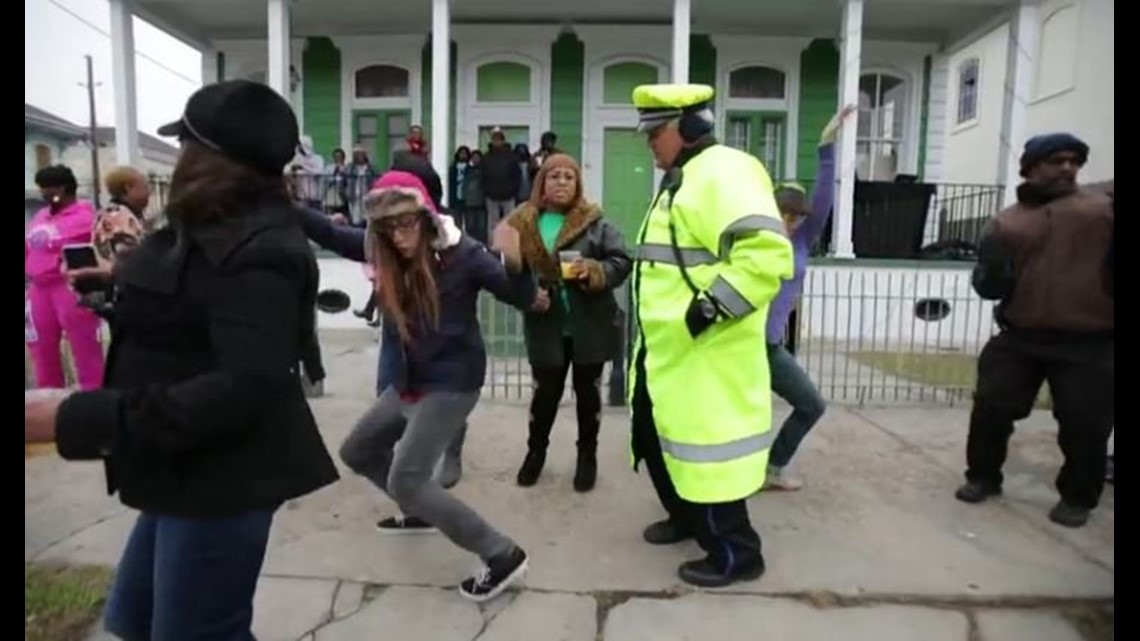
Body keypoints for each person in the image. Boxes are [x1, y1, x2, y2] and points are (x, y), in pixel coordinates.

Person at [23, 79, 340, 639]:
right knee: (134, 621)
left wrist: (73, 418)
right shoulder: (214, 225)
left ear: (210, 157)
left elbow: (245, 383)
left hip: (223, 480)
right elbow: (192, 309)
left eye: (186, 146)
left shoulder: (261, 249)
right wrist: (119, 287)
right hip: (180, 467)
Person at [336, 169, 538, 602]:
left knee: (407, 477)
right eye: (388, 227)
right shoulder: (387, 251)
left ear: (426, 217)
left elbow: (517, 295)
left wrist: (518, 263)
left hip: (452, 383)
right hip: (411, 382)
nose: (399, 235)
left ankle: (502, 554)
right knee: (357, 450)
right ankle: (421, 511)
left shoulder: (463, 254)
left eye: (406, 223)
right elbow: (328, 233)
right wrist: (272, 199)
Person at [627, 83, 793, 587]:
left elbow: (767, 256)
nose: (649, 143)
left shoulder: (723, 170)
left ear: (690, 127)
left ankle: (737, 555)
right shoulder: (688, 174)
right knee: (655, 441)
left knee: (707, 459)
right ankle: (685, 519)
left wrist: (711, 308)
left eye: (656, 132)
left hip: (705, 353)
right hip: (666, 353)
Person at [956, 133, 1114, 528]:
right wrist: (992, 271)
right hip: (1021, 335)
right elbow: (987, 287)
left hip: (1089, 339)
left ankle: (1078, 497)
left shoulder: (1102, 211)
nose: (1067, 168)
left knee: (1085, 423)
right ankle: (982, 478)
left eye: (1074, 161)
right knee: (991, 407)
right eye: (1056, 160)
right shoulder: (1006, 222)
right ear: (1030, 168)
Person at [300, 151, 471, 489]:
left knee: (443, 399)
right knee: (389, 396)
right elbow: (349, 240)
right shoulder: (386, 229)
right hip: (396, 326)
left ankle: (449, 451)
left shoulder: (444, 232)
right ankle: (412, 484)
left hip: (442, 336)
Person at [505, 153, 632, 492]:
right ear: (541, 183)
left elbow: (621, 261)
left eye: (569, 177)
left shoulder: (595, 223)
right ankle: (535, 453)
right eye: (554, 176)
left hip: (590, 324)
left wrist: (593, 270)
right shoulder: (522, 222)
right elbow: (506, 269)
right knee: (544, 396)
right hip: (545, 325)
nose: (561, 182)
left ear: (578, 185)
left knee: (588, 396)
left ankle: (586, 457)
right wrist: (527, 293)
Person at [761, 104, 856, 491]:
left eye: (796, 216)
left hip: (770, 344)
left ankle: (773, 466)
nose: (791, 221)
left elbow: (824, 199)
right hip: (740, 342)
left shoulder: (801, 240)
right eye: (784, 213)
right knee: (740, 416)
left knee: (810, 404)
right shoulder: (753, 238)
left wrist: (826, 148)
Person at [25, 165, 105, 390]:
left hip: (69, 287)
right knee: (41, 350)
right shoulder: (41, 216)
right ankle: (48, 400)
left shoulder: (86, 215)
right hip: (39, 289)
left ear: (63, 188)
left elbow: (93, 247)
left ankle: (93, 398)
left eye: (48, 188)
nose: (44, 194)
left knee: (85, 348)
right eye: (41, 188)